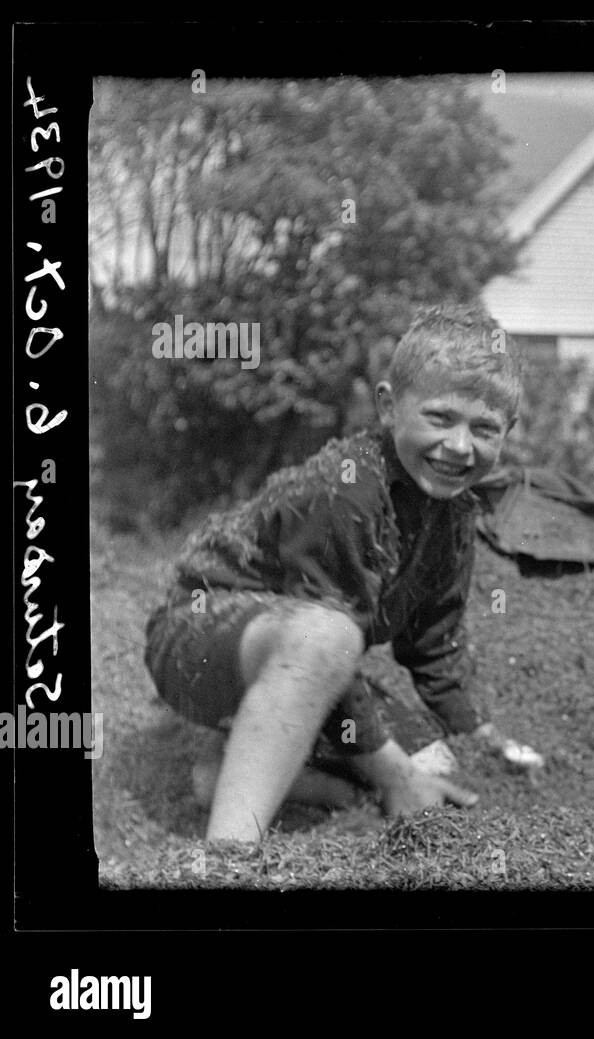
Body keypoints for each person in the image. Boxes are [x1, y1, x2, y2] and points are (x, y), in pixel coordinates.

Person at [145, 302, 539, 842]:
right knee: (328, 638)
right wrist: (393, 773)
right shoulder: (347, 486)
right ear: (388, 406)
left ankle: (233, 772)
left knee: (436, 760)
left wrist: (480, 732)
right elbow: (325, 639)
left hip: (304, 654)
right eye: (440, 417)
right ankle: (228, 859)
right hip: (200, 638)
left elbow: (434, 644)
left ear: (507, 431)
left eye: (485, 428)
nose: (459, 447)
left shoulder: (455, 512)